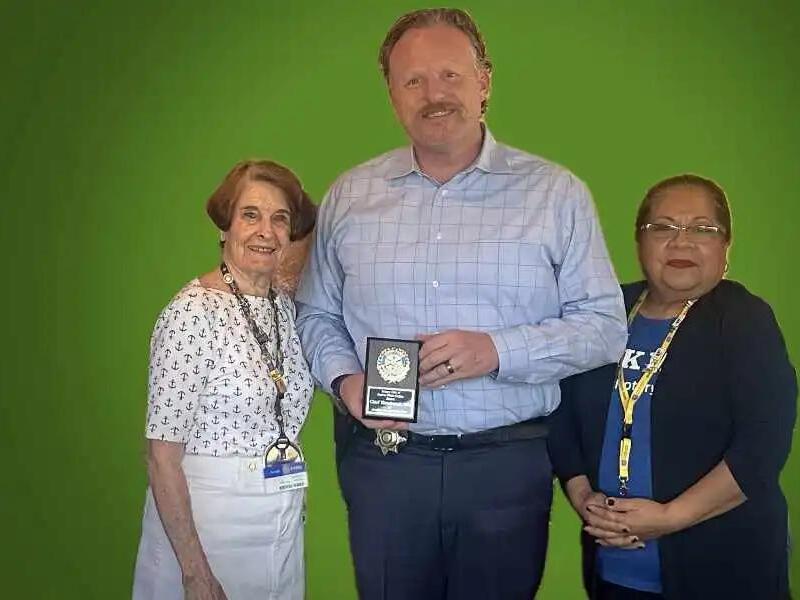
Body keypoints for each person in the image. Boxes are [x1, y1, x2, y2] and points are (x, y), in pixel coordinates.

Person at [295, 8, 627, 599]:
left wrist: (497, 351)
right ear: (392, 94)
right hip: (384, 468)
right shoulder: (350, 194)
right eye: (413, 80)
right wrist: (346, 382)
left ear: (485, 81)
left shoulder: (556, 193)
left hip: (506, 466)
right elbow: (316, 314)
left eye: (450, 74)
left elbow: (604, 327)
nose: (434, 95)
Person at [548, 174, 797, 599]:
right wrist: (583, 494)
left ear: (725, 246)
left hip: (724, 568)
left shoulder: (743, 319)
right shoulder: (605, 313)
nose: (682, 242)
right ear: (640, 242)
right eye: (662, 227)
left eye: (703, 229)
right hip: (614, 569)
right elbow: (560, 412)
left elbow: (762, 446)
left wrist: (669, 517)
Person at [132, 159, 317, 600]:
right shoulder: (192, 313)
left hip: (280, 524)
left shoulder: (284, 310)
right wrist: (194, 573)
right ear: (224, 226)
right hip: (207, 529)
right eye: (250, 215)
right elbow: (161, 457)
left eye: (280, 219)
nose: (266, 231)